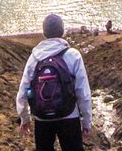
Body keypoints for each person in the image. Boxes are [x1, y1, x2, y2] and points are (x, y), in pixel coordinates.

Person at [17, 14, 92, 151]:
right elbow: (83, 92)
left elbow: (23, 91)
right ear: (62, 31)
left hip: (42, 118)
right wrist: (86, 122)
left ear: (44, 32)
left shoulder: (35, 58)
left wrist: (24, 118)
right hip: (69, 116)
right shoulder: (73, 55)